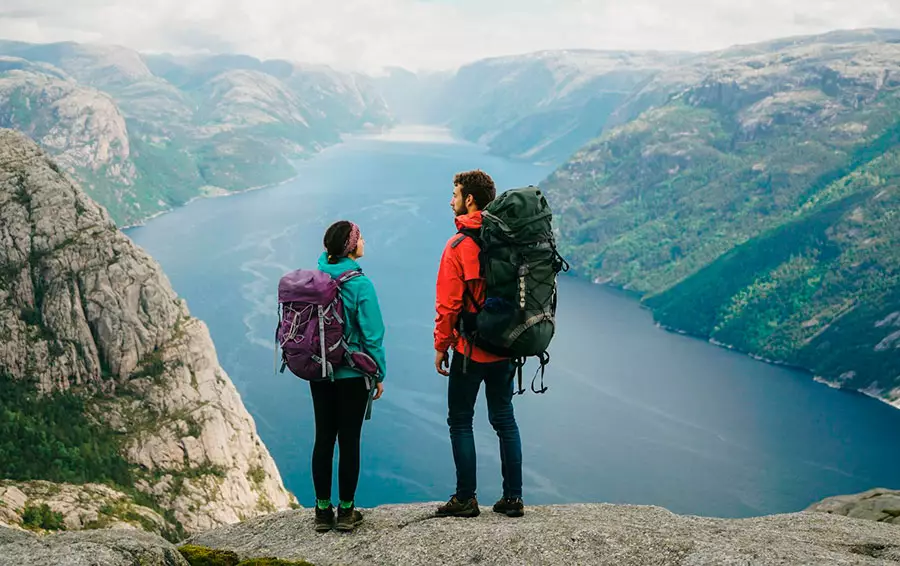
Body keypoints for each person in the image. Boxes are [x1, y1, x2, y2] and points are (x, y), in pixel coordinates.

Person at [433, 170, 525, 519]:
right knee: (504, 419)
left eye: (455, 194)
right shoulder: (509, 240)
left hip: (470, 351)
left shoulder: (458, 246)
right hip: (505, 347)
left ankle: (466, 498)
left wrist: (442, 345)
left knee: (460, 420)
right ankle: (513, 498)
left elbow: (448, 305)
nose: (451, 200)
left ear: (469, 199)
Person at [310, 220, 386, 533]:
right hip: (352, 373)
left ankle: (322, 510)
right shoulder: (360, 284)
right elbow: (372, 333)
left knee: (323, 437)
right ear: (351, 246)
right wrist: (378, 372)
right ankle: (346, 511)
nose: (364, 241)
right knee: (349, 440)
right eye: (360, 237)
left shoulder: (315, 275)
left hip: (319, 369)